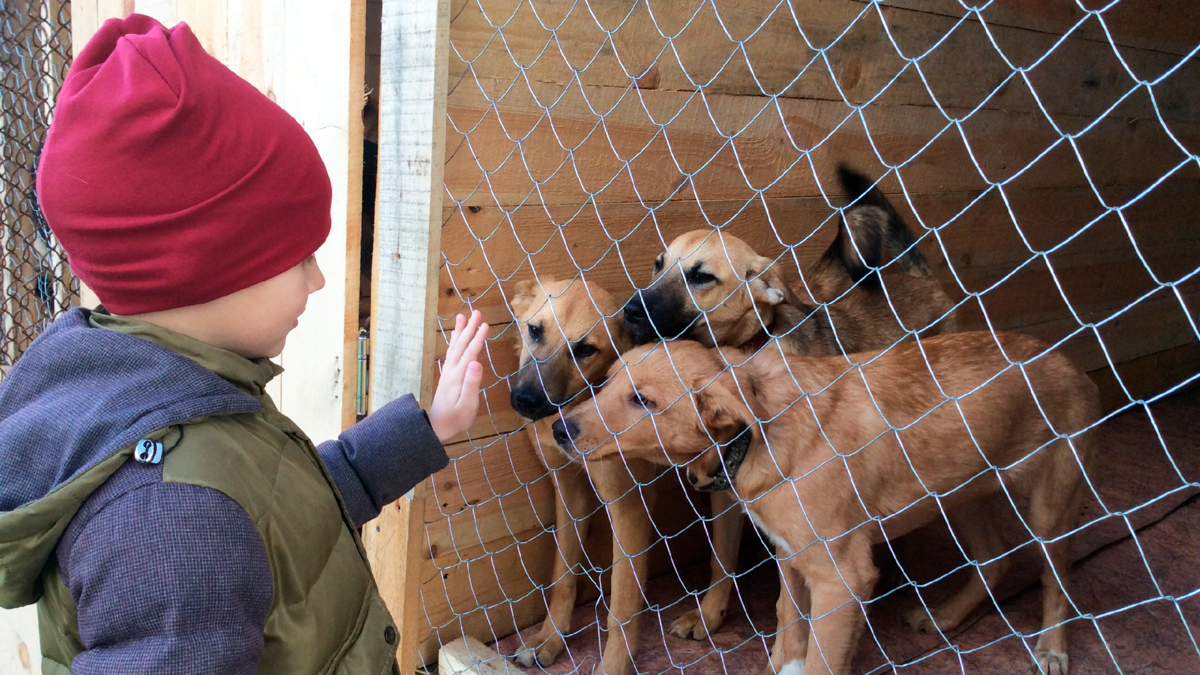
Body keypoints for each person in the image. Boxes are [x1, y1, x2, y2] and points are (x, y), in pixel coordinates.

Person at [0, 13, 487, 674]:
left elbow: (284, 514)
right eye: (298, 257)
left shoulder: (165, 390)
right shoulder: (171, 523)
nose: (318, 279)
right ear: (202, 270)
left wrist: (430, 425)